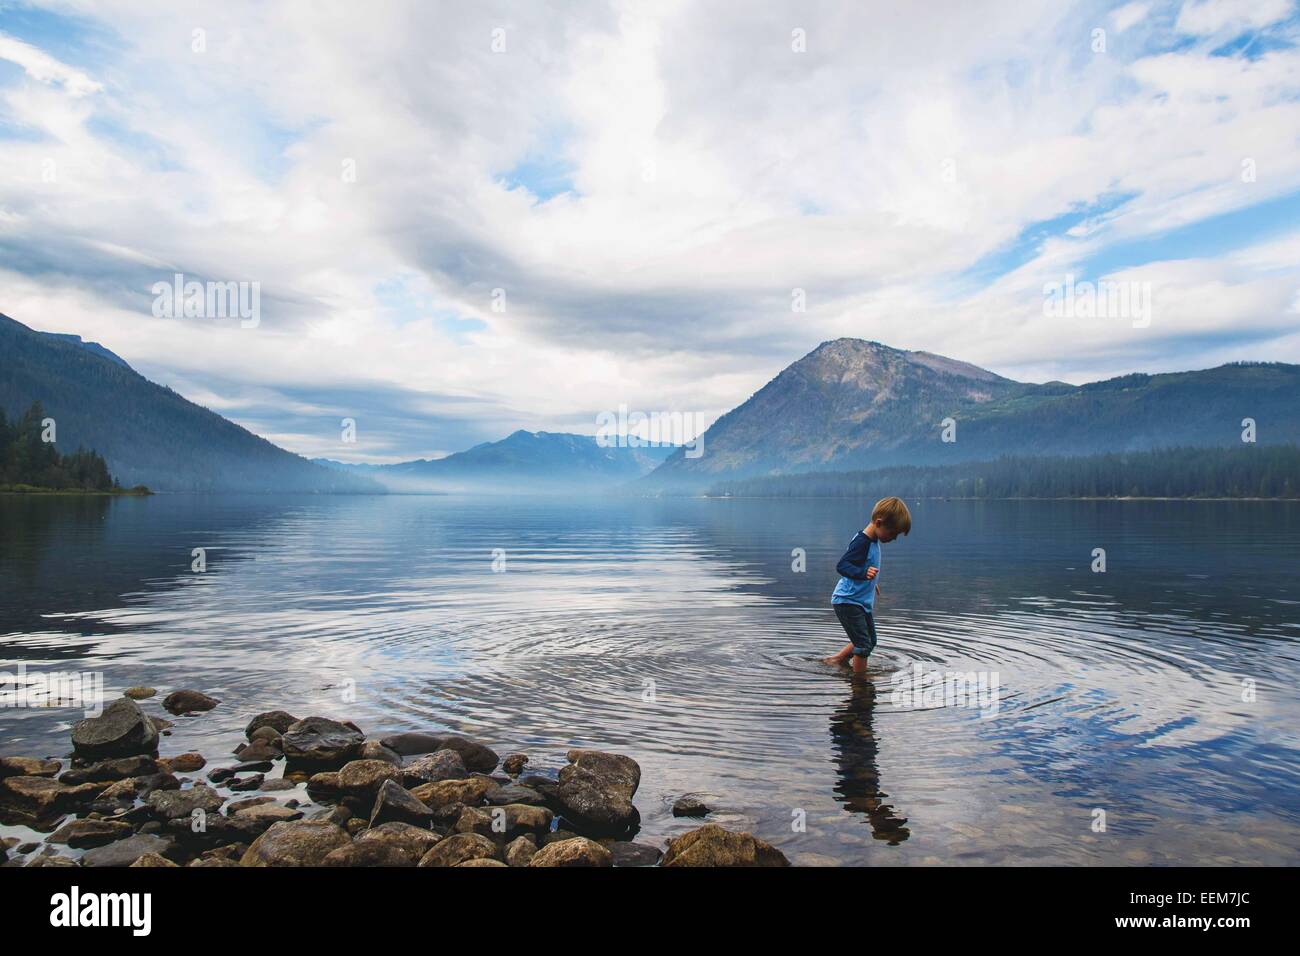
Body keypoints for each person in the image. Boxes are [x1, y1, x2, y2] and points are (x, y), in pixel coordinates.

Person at [823, 496, 911, 674]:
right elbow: (842, 566)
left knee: (870, 641)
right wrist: (863, 574)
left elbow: (863, 565)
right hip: (847, 602)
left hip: (859, 601)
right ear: (879, 523)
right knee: (863, 645)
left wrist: (872, 583)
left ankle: (837, 660)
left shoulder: (872, 541)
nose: (894, 538)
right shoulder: (862, 542)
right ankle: (860, 681)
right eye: (893, 533)